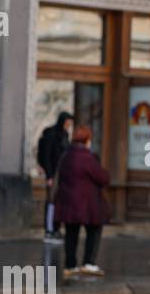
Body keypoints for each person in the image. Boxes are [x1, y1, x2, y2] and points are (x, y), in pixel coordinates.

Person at [50, 125, 109, 278]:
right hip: (87, 203)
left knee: (71, 232)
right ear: (87, 140)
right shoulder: (87, 157)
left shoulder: (66, 156)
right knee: (94, 230)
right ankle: (88, 262)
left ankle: (70, 265)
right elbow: (103, 178)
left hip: (68, 202)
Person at [36, 111, 73, 242]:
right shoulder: (51, 135)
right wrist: (49, 175)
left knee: (58, 202)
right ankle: (49, 230)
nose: (68, 125)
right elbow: (46, 156)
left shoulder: (65, 135)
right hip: (53, 173)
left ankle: (56, 228)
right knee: (51, 201)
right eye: (67, 123)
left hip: (62, 174)